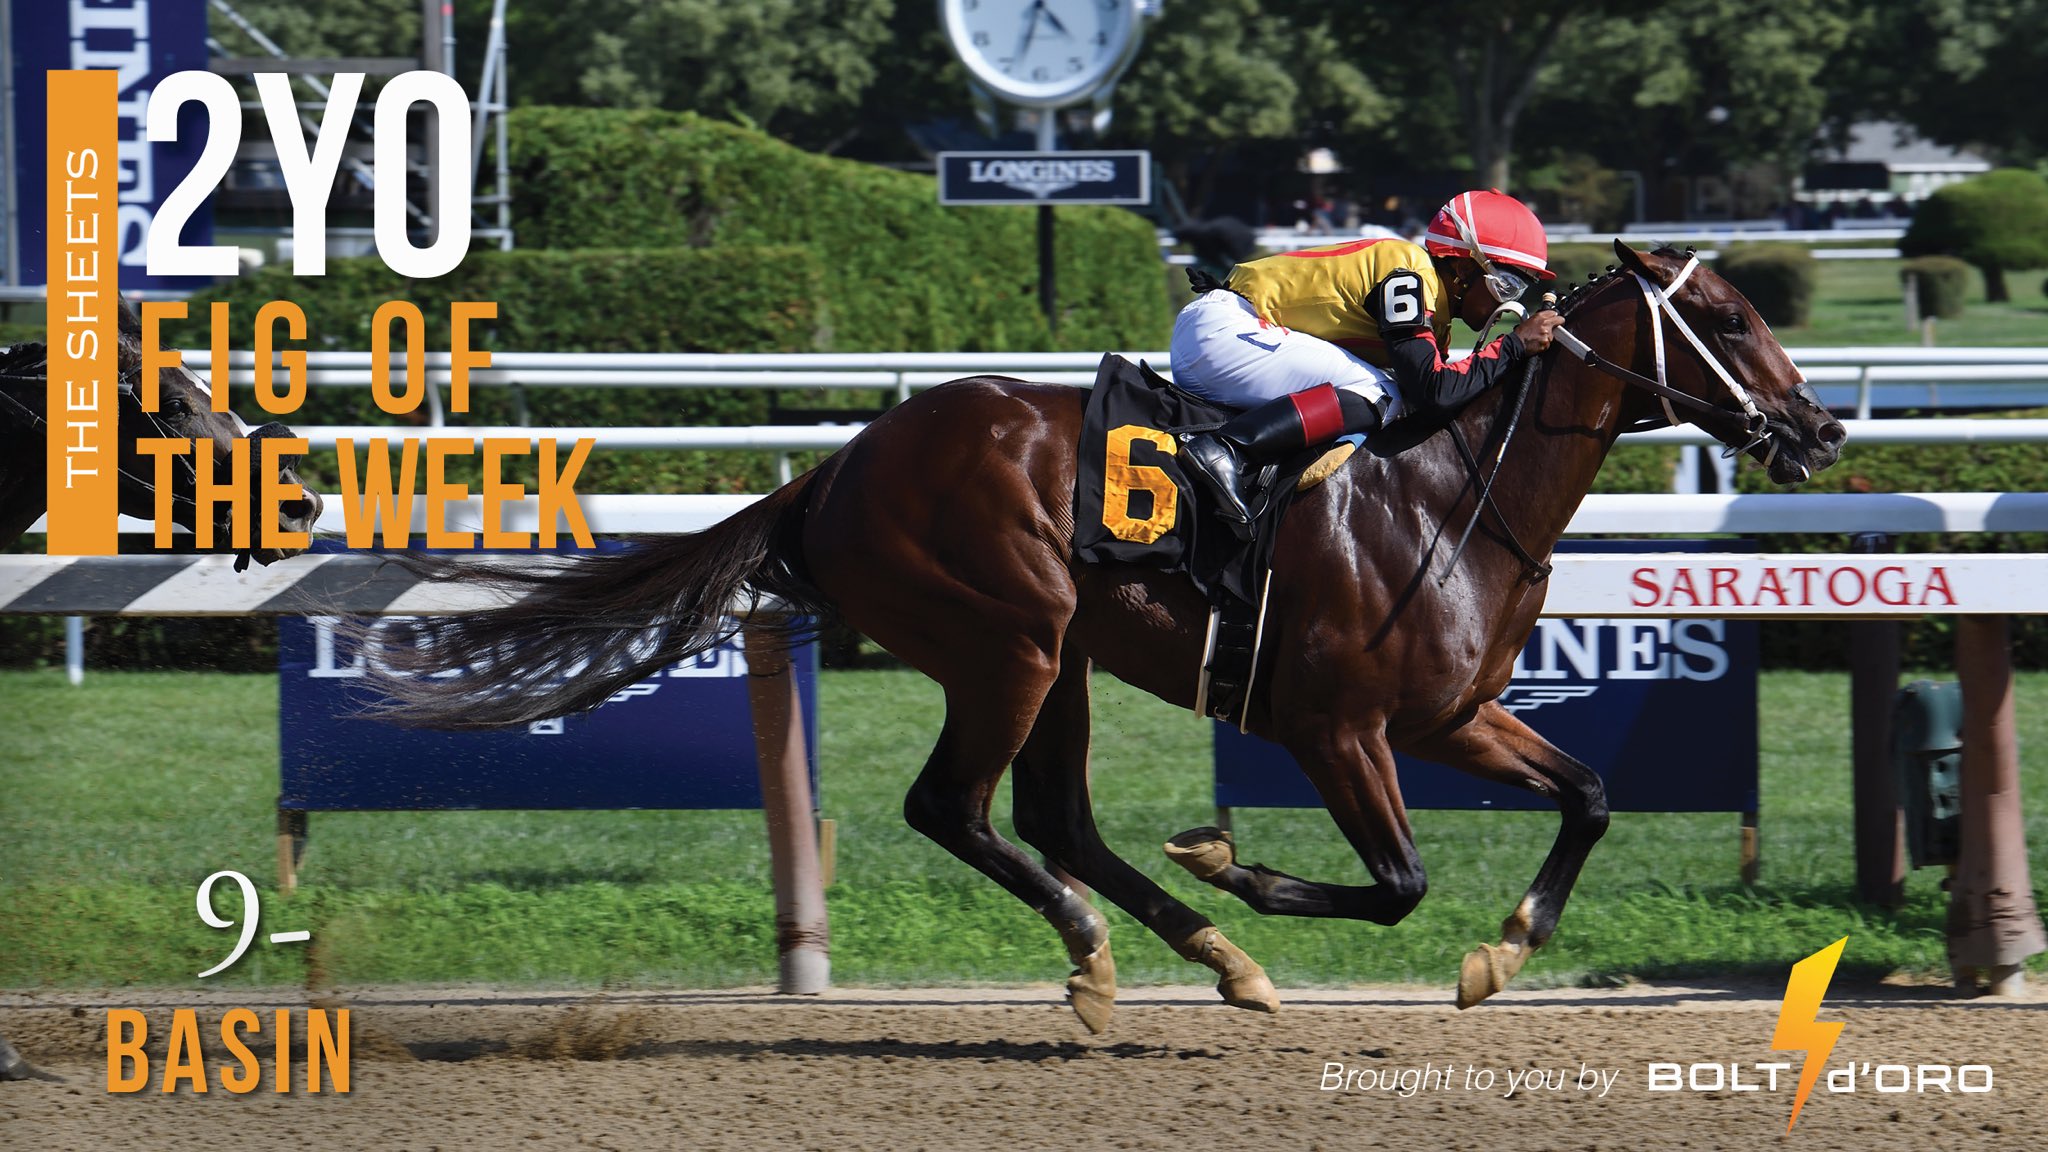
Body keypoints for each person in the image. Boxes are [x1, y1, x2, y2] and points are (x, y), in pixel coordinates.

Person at [1170, 189, 1567, 528]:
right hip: (1225, 331)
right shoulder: (1408, 274)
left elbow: (1439, 398)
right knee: (1381, 393)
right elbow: (1434, 392)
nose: (1510, 301)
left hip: (1232, 338)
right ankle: (1228, 449)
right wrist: (1513, 346)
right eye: (1508, 284)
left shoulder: (1435, 313)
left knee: (1388, 395)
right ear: (1464, 266)